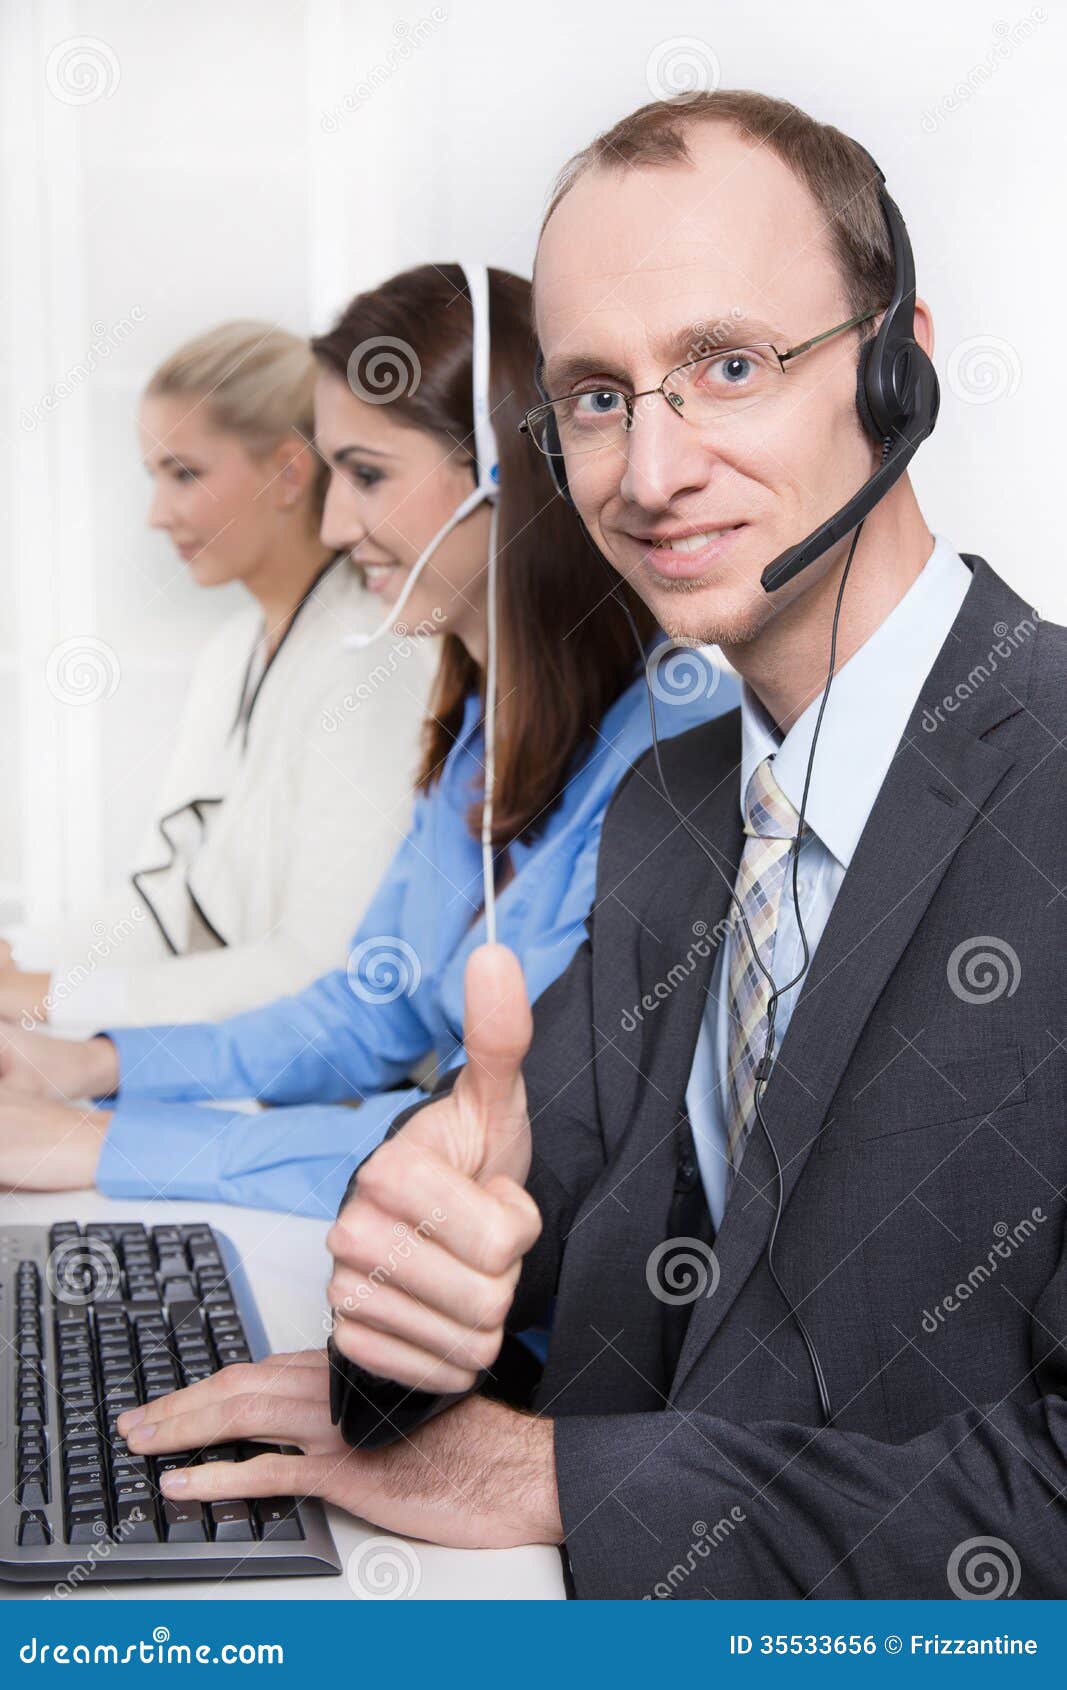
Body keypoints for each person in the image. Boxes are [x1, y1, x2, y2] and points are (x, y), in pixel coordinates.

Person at [98, 90, 1067, 1601]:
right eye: (597, 398)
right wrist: (413, 1277)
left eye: (726, 366)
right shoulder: (676, 802)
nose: (647, 473)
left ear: (899, 371)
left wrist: (544, 1474)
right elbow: (513, 1215)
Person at [0, 263, 737, 1221]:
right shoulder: (480, 730)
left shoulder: (673, 755)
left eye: (368, 476)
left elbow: (500, 1143)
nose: (337, 523)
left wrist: (105, 1141)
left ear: (509, 476)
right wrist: (87, 1061)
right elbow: (362, 1009)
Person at [0, 321, 433, 1030]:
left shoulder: (373, 665)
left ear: (290, 473)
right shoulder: (232, 656)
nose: (155, 515)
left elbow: (318, 970)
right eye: (154, 477)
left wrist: (50, 996)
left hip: (322, 1096)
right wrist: (22, 959)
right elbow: (164, 909)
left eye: (185, 473)